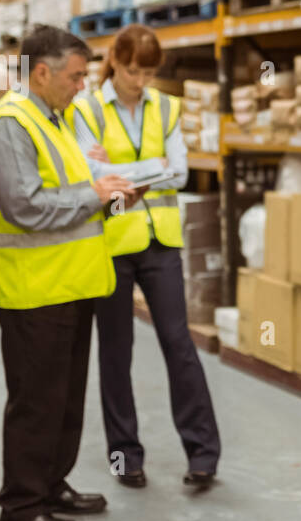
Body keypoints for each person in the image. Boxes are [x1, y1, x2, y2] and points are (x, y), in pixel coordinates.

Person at [0, 25, 139, 521]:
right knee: (36, 402)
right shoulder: (9, 124)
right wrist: (94, 195)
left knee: (66, 400)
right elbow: (23, 206)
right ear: (41, 72)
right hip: (34, 292)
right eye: (74, 77)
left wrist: (111, 196)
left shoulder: (58, 119)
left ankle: (51, 484)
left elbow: (72, 195)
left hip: (71, 285)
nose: (81, 87)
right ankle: (21, 508)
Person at [69, 24, 221, 491]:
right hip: (113, 243)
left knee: (179, 344)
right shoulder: (88, 109)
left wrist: (124, 171)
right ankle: (125, 458)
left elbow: (179, 173)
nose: (140, 81)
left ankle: (203, 456)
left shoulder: (166, 107)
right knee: (116, 352)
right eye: (133, 70)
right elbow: (89, 173)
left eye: (149, 72)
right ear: (115, 60)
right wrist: (150, 168)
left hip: (161, 242)